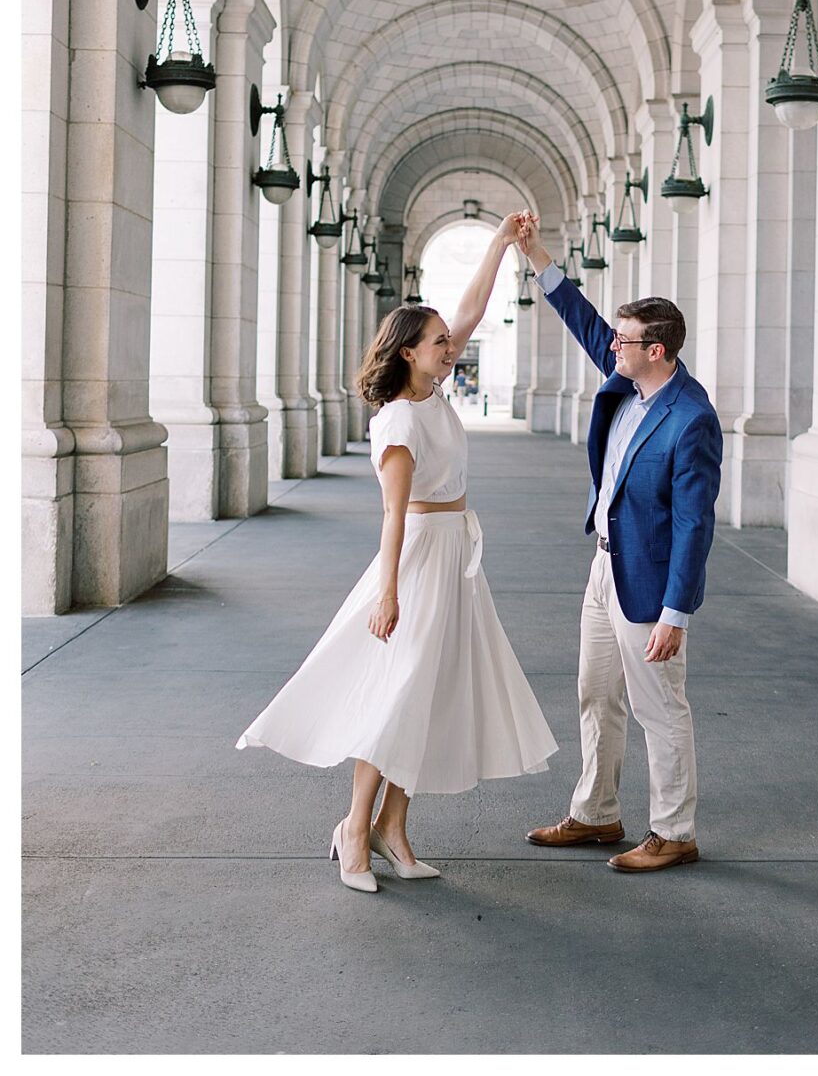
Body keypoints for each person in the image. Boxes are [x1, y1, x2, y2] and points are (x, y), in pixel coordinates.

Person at [238, 214, 558, 893]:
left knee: (433, 696)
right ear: (409, 352)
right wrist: (388, 593)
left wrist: (501, 246)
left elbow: (469, 310)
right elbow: (393, 514)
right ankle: (355, 827)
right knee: (395, 693)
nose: (453, 346)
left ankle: (394, 828)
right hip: (416, 561)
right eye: (440, 342)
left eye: (449, 340)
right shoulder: (401, 419)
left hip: (455, 561)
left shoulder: (433, 389)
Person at [508, 209, 721, 874]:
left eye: (625, 341)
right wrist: (536, 252)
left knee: (661, 707)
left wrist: (675, 612)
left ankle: (674, 831)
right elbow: (586, 322)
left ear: (656, 350)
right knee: (595, 693)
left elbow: (695, 522)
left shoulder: (692, 421)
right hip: (603, 567)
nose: (613, 347)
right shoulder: (627, 379)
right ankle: (597, 815)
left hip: (650, 584)